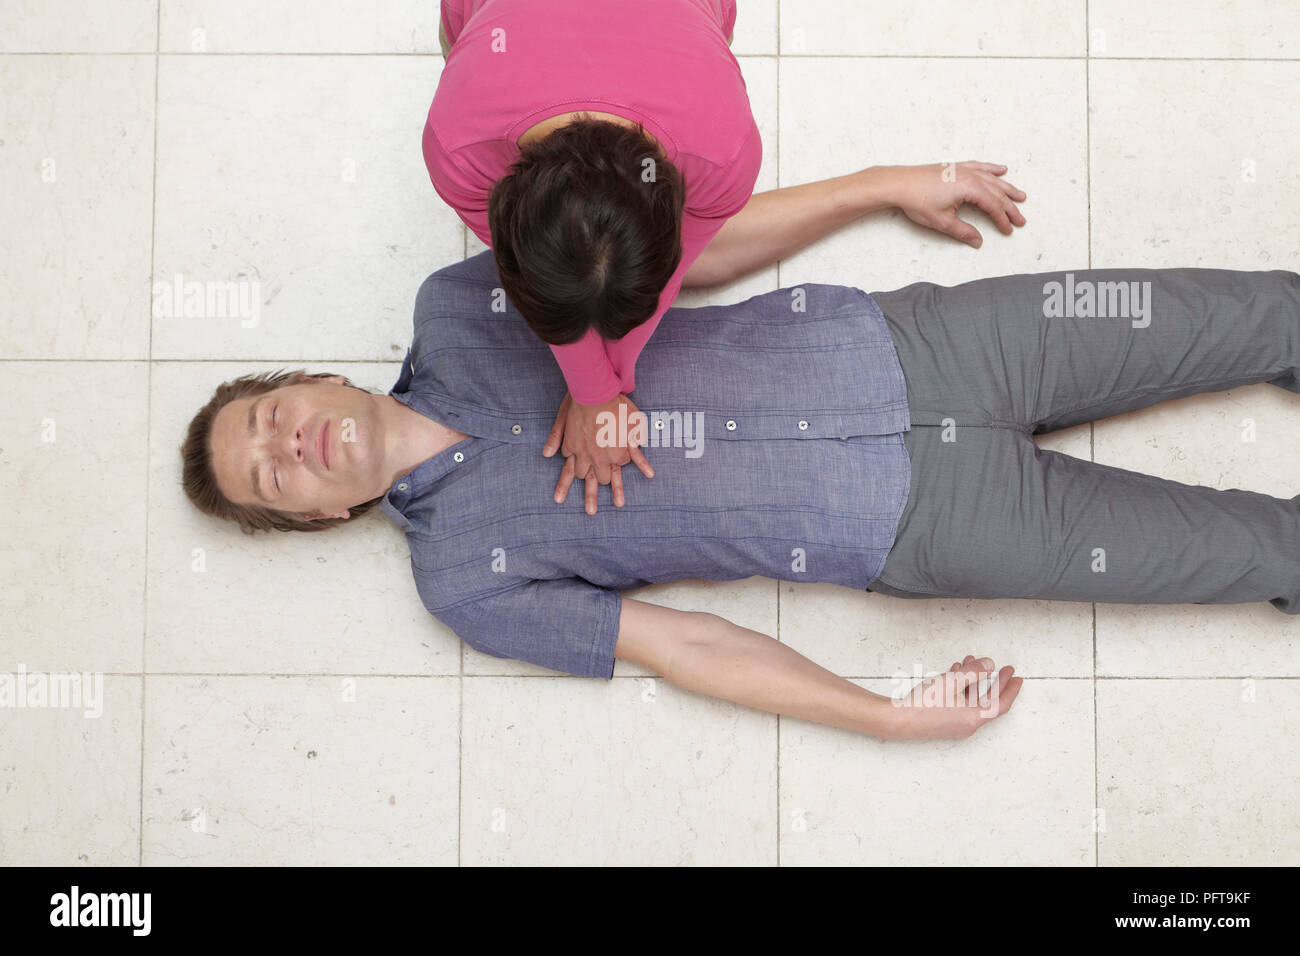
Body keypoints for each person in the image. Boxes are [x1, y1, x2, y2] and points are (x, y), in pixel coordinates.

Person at [184, 253, 1300, 741]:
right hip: (920, 525)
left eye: (267, 414)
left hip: (919, 342)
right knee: (1273, 553)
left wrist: (889, 185)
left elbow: (688, 253)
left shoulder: (455, 303)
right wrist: (888, 714)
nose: (289, 441)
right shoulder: (461, 580)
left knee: (1270, 314)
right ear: (315, 515)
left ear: (308, 378)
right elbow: (686, 645)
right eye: (270, 474)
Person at [425, 0, 1026, 513]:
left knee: (701, 267)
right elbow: (556, 277)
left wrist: (604, 392)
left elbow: (666, 269)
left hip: (679, 43)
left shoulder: (723, 144)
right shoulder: (458, 148)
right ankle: (883, 184)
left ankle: (883, 183)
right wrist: (595, 391)